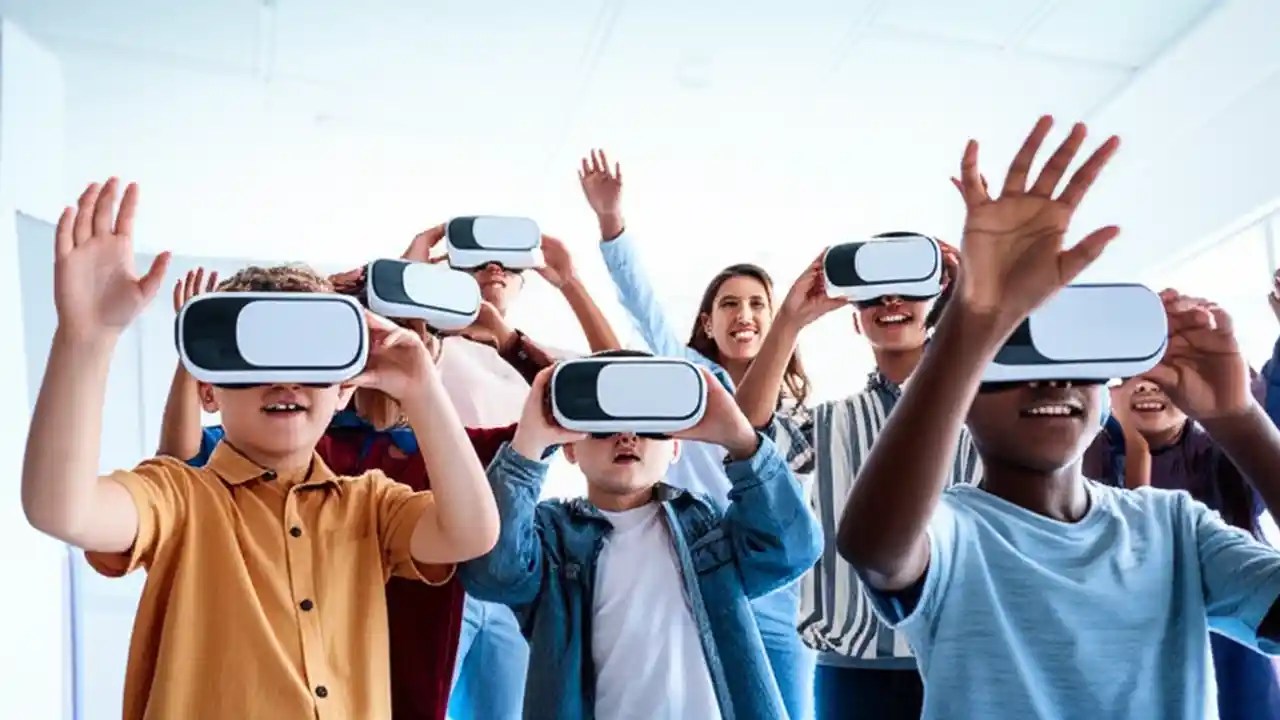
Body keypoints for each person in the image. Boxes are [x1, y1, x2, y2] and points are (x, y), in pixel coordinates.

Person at [839, 116, 1280, 719]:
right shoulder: (952, 532)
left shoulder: (1173, 526)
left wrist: (1238, 418)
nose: (1050, 378)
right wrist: (974, 318)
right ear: (960, 395)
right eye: (1009, 357)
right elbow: (875, 547)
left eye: (1074, 355)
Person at [20, 178, 500, 719]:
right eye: (256, 358)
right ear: (208, 389)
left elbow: (471, 533)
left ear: (345, 387)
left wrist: (421, 388)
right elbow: (63, 507)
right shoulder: (180, 497)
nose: (285, 382)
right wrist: (87, 338)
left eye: (309, 360)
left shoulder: (371, 506)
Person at [157, 262, 555, 720]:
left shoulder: (449, 449)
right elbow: (179, 468)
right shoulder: (299, 443)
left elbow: (562, 412)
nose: (413, 342)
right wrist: (198, 355)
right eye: (395, 330)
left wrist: (507, 342)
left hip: (412, 674)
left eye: (424, 334)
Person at [580, 149, 818, 718]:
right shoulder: (685, 381)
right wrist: (612, 222)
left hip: (781, 594)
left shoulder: (804, 415)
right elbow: (642, 304)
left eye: (758, 303)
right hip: (705, 574)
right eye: (729, 303)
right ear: (708, 323)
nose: (745, 313)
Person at [459, 353, 824, 720]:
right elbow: (490, 572)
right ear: (569, 445)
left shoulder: (704, 525)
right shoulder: (552, 536)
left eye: (650, 424)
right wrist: (529, 445)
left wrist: (742, 440)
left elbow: (792, 549)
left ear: (676, 443)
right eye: (602, 425)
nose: (627, 435)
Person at [733, 235, 980, 719]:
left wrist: (975, 304)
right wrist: (789, 319)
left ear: (935, 300)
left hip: (965, 660)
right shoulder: (829, 423)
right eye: (873, 294)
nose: (890, 301)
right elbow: (746, 432)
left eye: (909, 288)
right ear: (855, 317)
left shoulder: (981, 407)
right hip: (851, 671)